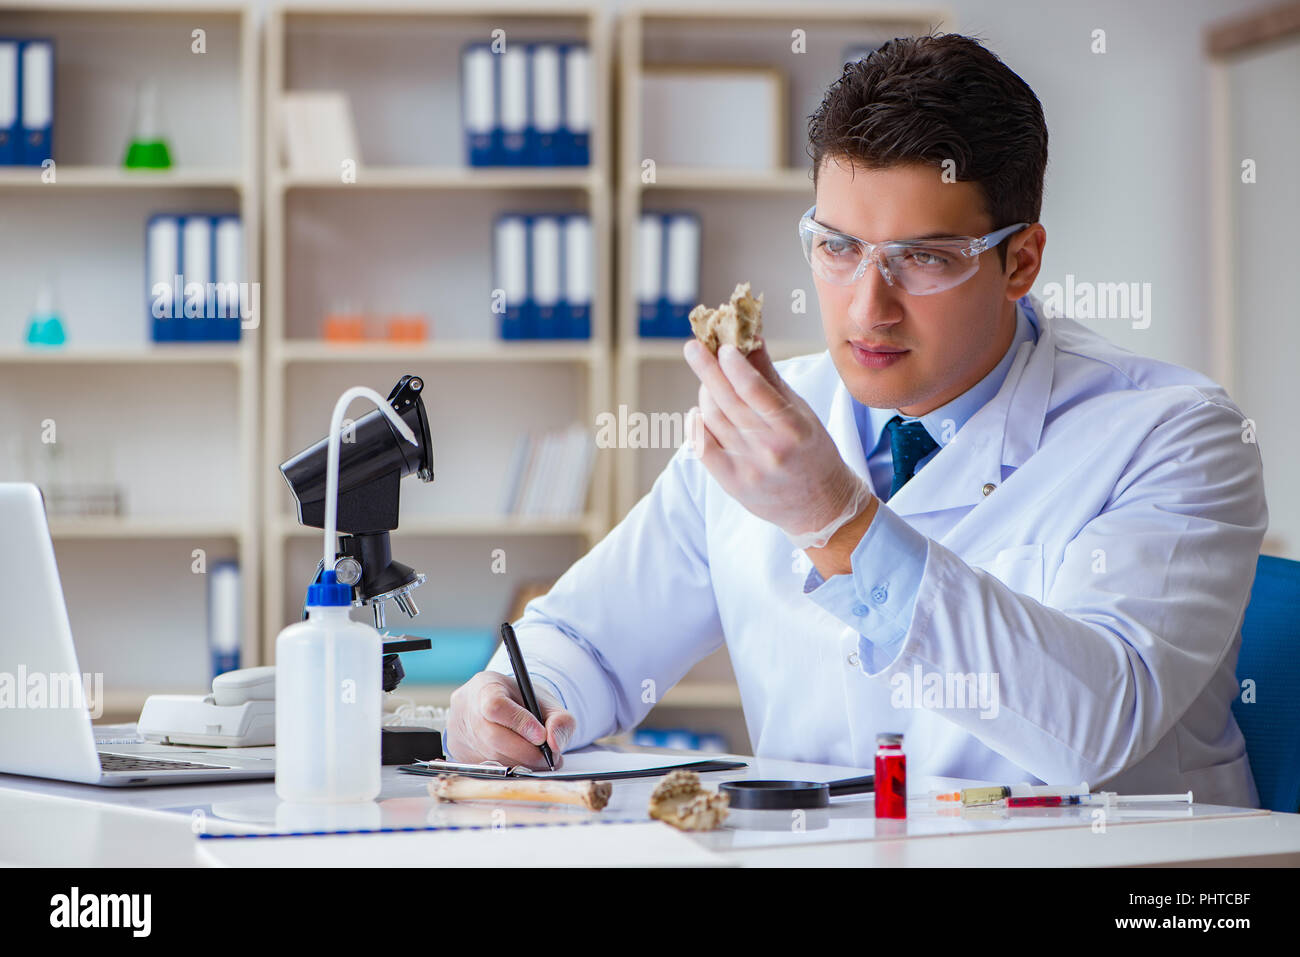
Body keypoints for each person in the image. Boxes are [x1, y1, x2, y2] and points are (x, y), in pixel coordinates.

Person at [446, 34, 1267, 807]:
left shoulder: (1175, 435)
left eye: (926, 257)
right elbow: (587, 643)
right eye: (838, 247)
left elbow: (1097, 724)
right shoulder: (766, 426)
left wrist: (837, 521)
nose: (868, 306)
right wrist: (513, 699)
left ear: (1020, 261)